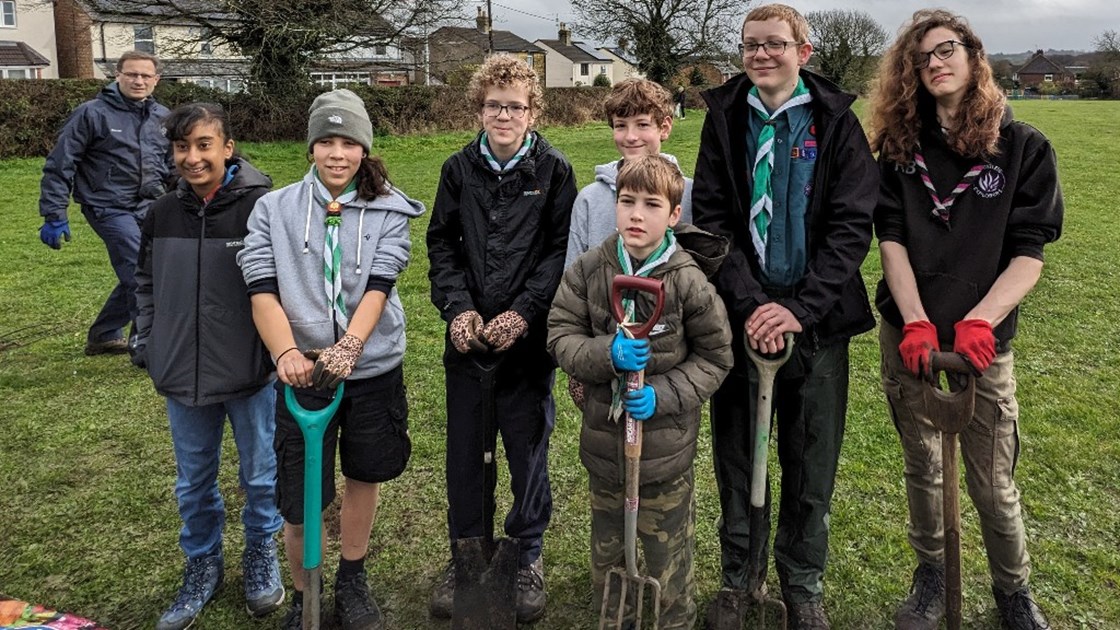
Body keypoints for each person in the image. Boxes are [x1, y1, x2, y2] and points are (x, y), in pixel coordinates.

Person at [867, 10, 1062, 630]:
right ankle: (931, 576)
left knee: (993, 480)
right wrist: (916, 321)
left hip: (983, 346)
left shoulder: (1023, 146)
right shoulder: (899, 150)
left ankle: (1013, 592)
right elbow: (891, 239)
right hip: (912, 337)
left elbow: (1029, 253)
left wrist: (980, 321)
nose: (935, 63)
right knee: (923, 468)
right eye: (921, 58)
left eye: (946, 50)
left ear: (974, 55)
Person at [690, 4, 878, 629]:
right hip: (742, 319)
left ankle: (803, 583)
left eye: (774, 44)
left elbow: (853, 228)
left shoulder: (838, 125)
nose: (760, 55)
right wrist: (751, 304)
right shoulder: (723, 120)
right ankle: (739, 578)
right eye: (750, 45)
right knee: (739, 454)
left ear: (805, 50)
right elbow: (713, 220)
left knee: (809, 459)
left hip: (817, 323)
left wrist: (797, 308)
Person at [237, 88, 425, 630]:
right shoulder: (272, 211)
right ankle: (304, 592)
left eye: (348, 142)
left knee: (364, 474)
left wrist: (351, 347)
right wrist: (287, 352)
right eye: (326, 141)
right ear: (311, 148)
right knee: (299, 497)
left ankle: (353, 578)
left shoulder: (390, 208)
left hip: (370, 369)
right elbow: (262, 289)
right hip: (302, 375)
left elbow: (380, 285)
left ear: (364, 149)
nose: (337, 153)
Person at [547, 154, 733, 629]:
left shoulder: (689, 280)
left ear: (674, 214)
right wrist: (605, 352)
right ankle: (615, 615)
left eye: (651, 205)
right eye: (627, 201)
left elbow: (716, 357)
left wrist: (664, 394)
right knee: (608, 547)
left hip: (665, 453)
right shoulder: (592, 269)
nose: (635, 214)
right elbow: (560, 334)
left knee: (666, 549)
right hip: (606, 449)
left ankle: (673, 617)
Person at [426, 53, 577, 624]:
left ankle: (525, 555)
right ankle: (466, 553)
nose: (505, 115)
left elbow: (558, 252)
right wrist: (459, 310)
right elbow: (442, 246)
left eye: (515, 106)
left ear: (533, 110)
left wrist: (523, 313)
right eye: (494, 105)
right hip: (467, 344)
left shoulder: (554, 171)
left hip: (526, 344)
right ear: (480, 108)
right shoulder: (457, 168)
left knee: (526, 450)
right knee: (466, 453)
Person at [133, 102, 283, 630]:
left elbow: (283, 284)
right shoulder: (161, 213)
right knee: (193, 481)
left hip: (248, 372)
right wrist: (148, 340)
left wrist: (275, 351)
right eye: (182, 147)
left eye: (203, 146)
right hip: (181, 374)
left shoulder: (262, 207)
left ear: (227, 148)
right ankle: (202, 563)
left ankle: (261, 553)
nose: (193, 158)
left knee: (260, 474)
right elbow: (145, 283)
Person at [37, 50, 172, 356]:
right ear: (117, 76)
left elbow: (172, 164)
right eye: (132, 74)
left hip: (150, 205)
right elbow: (61, 163)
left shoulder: (163, 117)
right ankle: (148, 348)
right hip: (107, 206)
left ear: (156, 80)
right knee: (140, 271)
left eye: (145, 75)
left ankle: (104, 333)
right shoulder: (91, 114)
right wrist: (54, 213)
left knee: (149, 268)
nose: (138, 81)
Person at [564, 77, 694, 271]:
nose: (631, 137)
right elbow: (572, 275)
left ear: (664, 128)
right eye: (621, 125)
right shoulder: (589, 199)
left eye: (642, 124)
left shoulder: (690, 194)